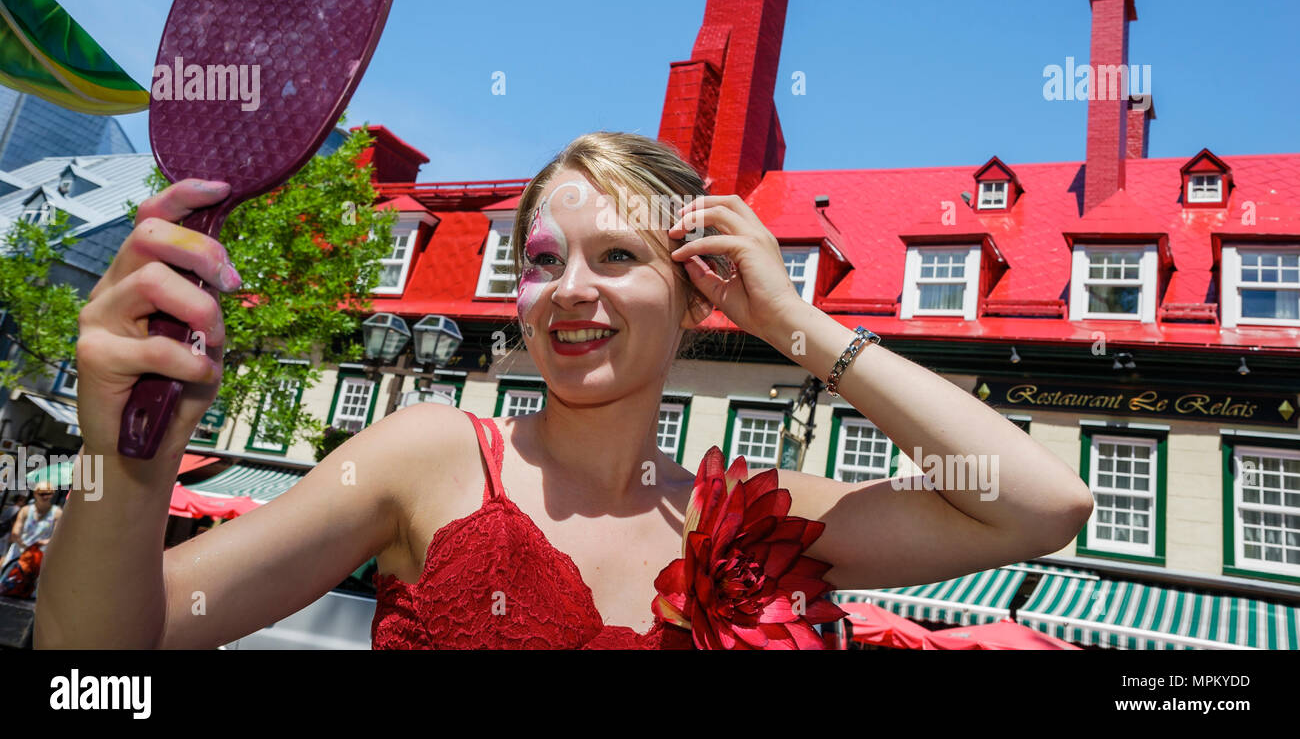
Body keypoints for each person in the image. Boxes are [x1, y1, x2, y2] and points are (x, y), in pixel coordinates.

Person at [33, 131, 1094, 649]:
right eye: (542, 259)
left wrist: (801, 328)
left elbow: (1041, 504)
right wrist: (126, 462)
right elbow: (97, 659)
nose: (569, 289)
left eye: (618, 257)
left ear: (696, 296)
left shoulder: (750, 522)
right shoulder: (428, 452)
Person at [3, 482, 61, 596]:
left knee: (29, 589)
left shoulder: (57, 513)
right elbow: (16, 531)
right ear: (35, 494)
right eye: (42, 493)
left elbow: (57, 535)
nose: (45, 496)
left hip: (38, 554)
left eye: (48, 494)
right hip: (20, 551)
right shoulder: (25, 510)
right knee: (7, 584)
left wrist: (45, 542)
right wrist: (22, 544)